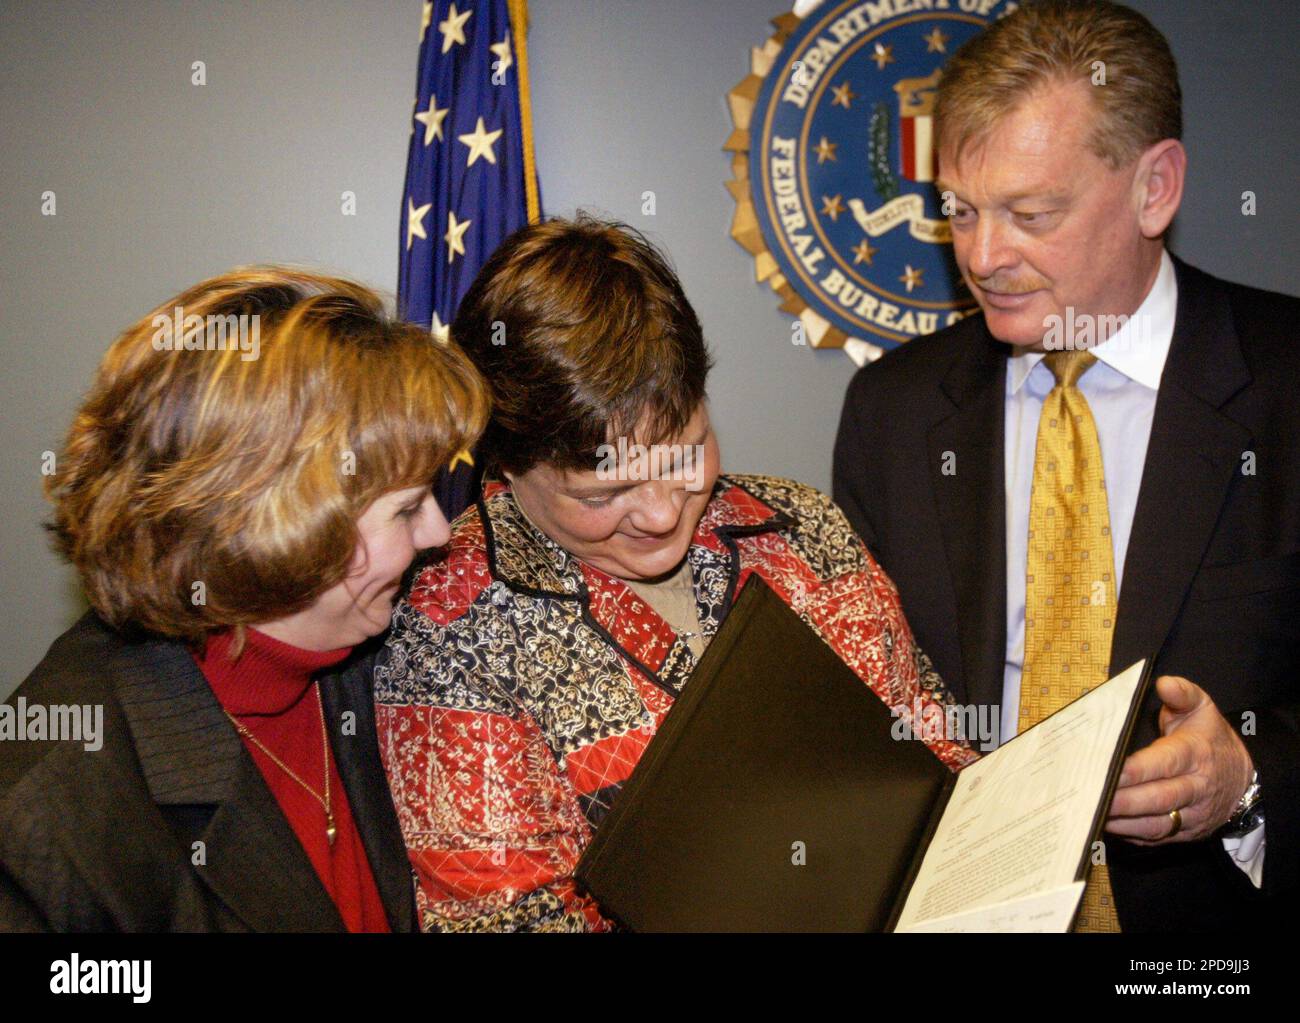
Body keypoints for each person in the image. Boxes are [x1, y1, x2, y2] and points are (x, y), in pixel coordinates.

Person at [833, 0, 1298, 931]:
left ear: (1154, 188)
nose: (983, 256)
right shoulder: (893, 410)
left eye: (1030, 213)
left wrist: (1248, 776)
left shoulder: (1285, 383)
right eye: (959, 211)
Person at [374, 215, 977, 932]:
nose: (661, 514)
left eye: (686, 455)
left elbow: (934, 750)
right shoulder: (452, 625)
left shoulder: (803, 529)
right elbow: (508, 921)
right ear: (504, 462)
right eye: (603, 495)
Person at [0, 267, 489, 931]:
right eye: (407, 509)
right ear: (277, 526)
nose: (438, 531)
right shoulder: (47, 816)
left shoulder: (378, 652)